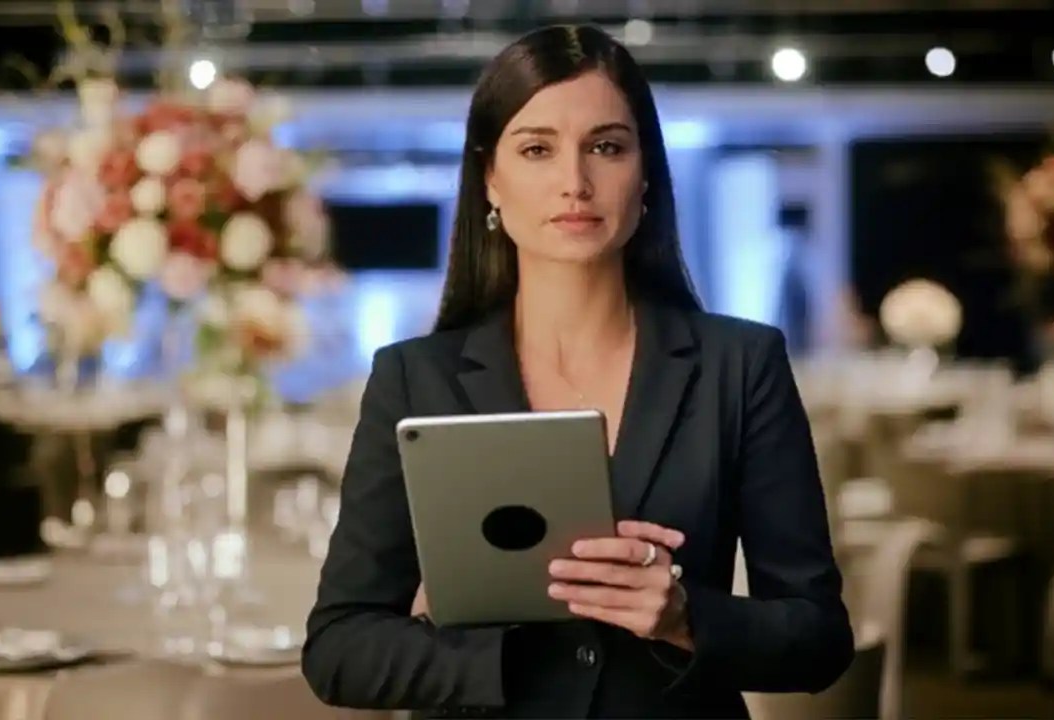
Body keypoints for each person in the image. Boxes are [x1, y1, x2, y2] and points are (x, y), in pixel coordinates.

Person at [303, 24, 853, 719]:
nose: (575, 182)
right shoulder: (415, 378)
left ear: (645, 174)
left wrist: (685, 617)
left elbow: (820, 638)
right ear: (490, 182)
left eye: (607, 146)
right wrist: (496, 653)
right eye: (537, 149)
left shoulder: (739, 365)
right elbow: (337, 648)